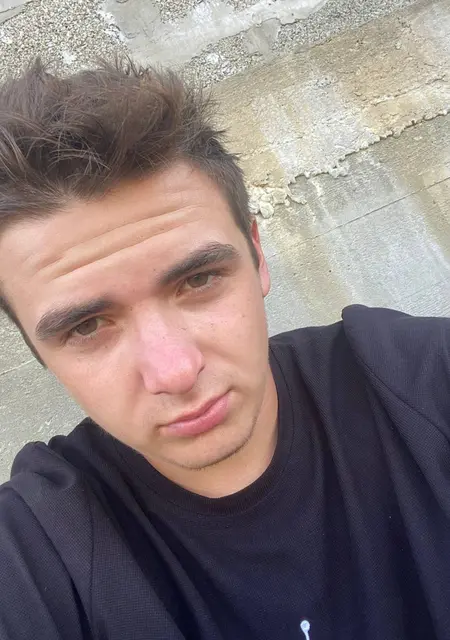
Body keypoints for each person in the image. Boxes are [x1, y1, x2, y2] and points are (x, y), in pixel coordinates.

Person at [0, 57, 449, 640]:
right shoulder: (34, 552)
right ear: (37, 349)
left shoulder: (423, 385)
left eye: (199, 279)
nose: (175, 371)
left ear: (257, 255)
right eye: (86, 327)